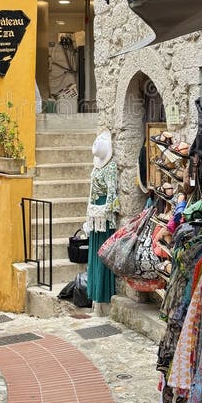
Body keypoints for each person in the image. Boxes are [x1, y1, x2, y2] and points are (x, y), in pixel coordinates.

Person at [86, 130, 119, 312]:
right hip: (95, 214)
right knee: (97, 253)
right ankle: (96, 299)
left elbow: (112, 193)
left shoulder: (110, 168)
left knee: (103, 253)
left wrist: (106, 211)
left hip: (103, 214)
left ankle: (102, 299)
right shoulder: (98, 167)